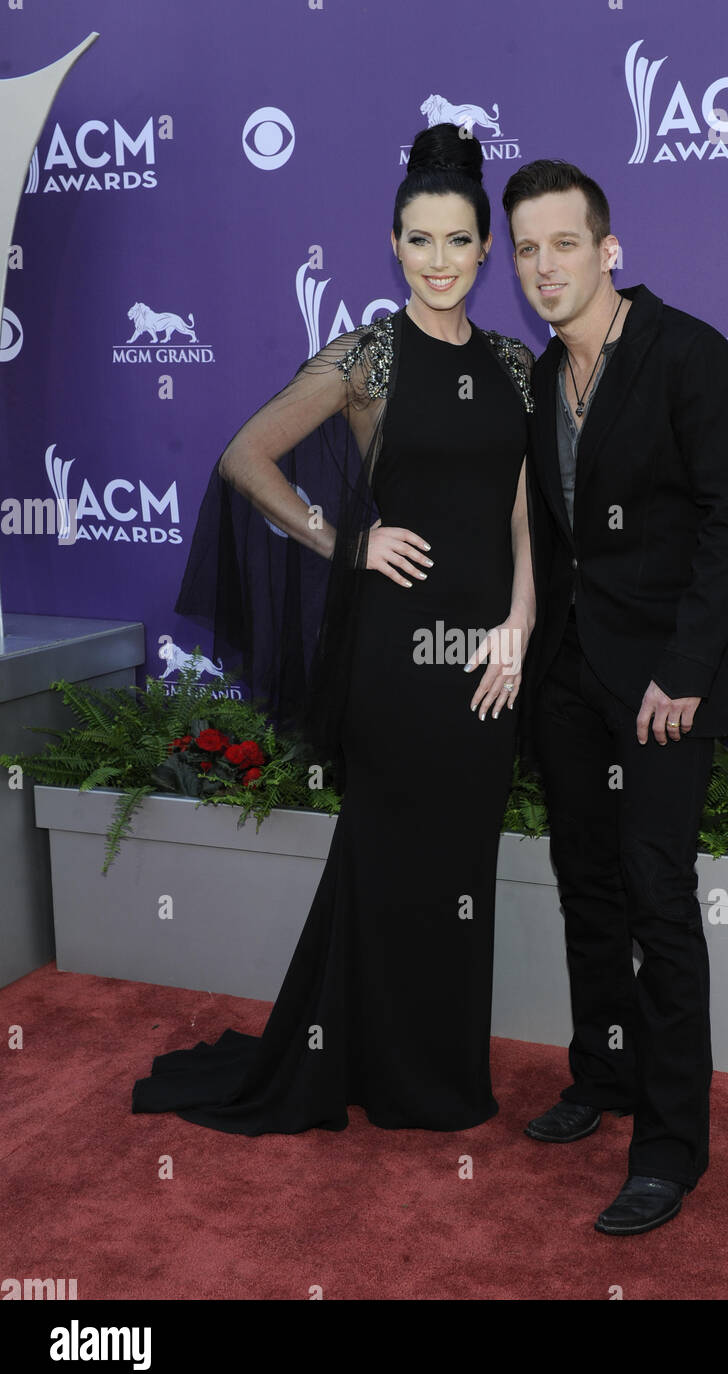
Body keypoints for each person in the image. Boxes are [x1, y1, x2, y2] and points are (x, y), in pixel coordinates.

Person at [131, 124, 535, 1134]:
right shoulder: (367, 357)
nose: (438, 261)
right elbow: (244, 456)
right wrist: (345, 539)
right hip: (396, 655)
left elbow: (525, 507)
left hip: (488, 655)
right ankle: (381, 1072)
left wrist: (522, 618)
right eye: (419, 240)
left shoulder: (515, 363)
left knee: (460, 867)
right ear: (392, 244)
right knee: (392, 858)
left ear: (486, 249)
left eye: (457, 241)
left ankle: (439, 1071)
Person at [501, 159, 728, 1233]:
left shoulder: (688, 354)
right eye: (524, 248)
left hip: (664, 684)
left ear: (607, 249)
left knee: (657, 896)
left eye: (563, 243)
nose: (543, 265)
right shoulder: (532, 379)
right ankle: (602, 1075)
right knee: (588, 886)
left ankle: (669, 1143)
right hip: (569, 675)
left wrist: (683, 673)